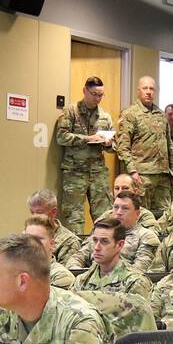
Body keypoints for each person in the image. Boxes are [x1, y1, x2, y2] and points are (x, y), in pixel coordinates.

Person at [54, 75, 115, 233]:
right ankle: (74, 252)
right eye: (94, 94)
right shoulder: (71, 111)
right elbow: (61, 137)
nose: (97, 98)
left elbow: (114, 146)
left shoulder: (105, 116)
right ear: (85, 91)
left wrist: (109, 144)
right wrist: (87, 139)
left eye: (101, 95)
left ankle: (102, 247)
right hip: (75, 171)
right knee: (74, 216)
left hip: (97, 171)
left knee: (104, 215)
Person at [115, 77, 173, 216]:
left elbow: (168, 143)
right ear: (138, 90)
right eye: (145, 88)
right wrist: (132, 171)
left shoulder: (161, 114)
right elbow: (123, 147)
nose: (148, 92)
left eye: (151, 89)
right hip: (142, 175)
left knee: (166, 215)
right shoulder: (130, 114)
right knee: (142, 215)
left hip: (162, 175)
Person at [74, 218, 153, 301]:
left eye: (104, 241)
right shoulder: (82, 280)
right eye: (95, 240)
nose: (97, 247)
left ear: (120, 245)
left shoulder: (135, 282)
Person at [28, 189, 83, 267]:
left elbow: (66, 275)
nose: (34, 217)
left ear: (53, 212)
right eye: (32, 212)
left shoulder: (69, 241)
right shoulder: (27, 235)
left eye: (39, 212)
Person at [23, 216, 78, 289]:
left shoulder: (61, 276)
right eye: (28, 238)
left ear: (52, 244)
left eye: (38, 239)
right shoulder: (18, 271)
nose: (32, 243)